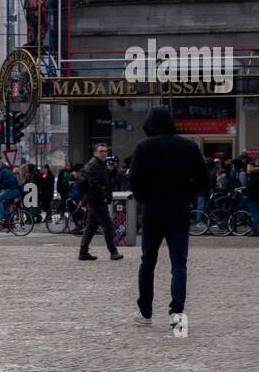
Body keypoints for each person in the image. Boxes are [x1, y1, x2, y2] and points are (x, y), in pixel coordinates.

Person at [130, 107, 210, 331]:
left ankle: (145, 312)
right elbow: (204, 179)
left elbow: (135, 181)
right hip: (179, 211)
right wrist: (187, 193)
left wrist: (146, 197)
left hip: (153, 212)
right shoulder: (188, 146)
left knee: (148, 262)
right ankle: (177, 312)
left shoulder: (143, 147)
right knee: (179, 264)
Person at [78, 144, 122, 261]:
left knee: (91, 227)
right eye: (101, 151)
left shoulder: (98, 164)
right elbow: (94, 185)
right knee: (108, 226)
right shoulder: (94, 165)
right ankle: (113, 251)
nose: (103, 153)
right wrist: (103, 197)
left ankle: (83, 252)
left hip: (94, 200)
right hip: (96, 200)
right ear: (95, 153)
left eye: (105, 151)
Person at [0, 160, 21, 224]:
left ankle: (1, 217)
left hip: (11, 189)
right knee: (5, 203)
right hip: (14, 189)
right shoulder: (7, 170)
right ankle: (8, 221)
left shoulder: (3, 171)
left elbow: (0, 182)